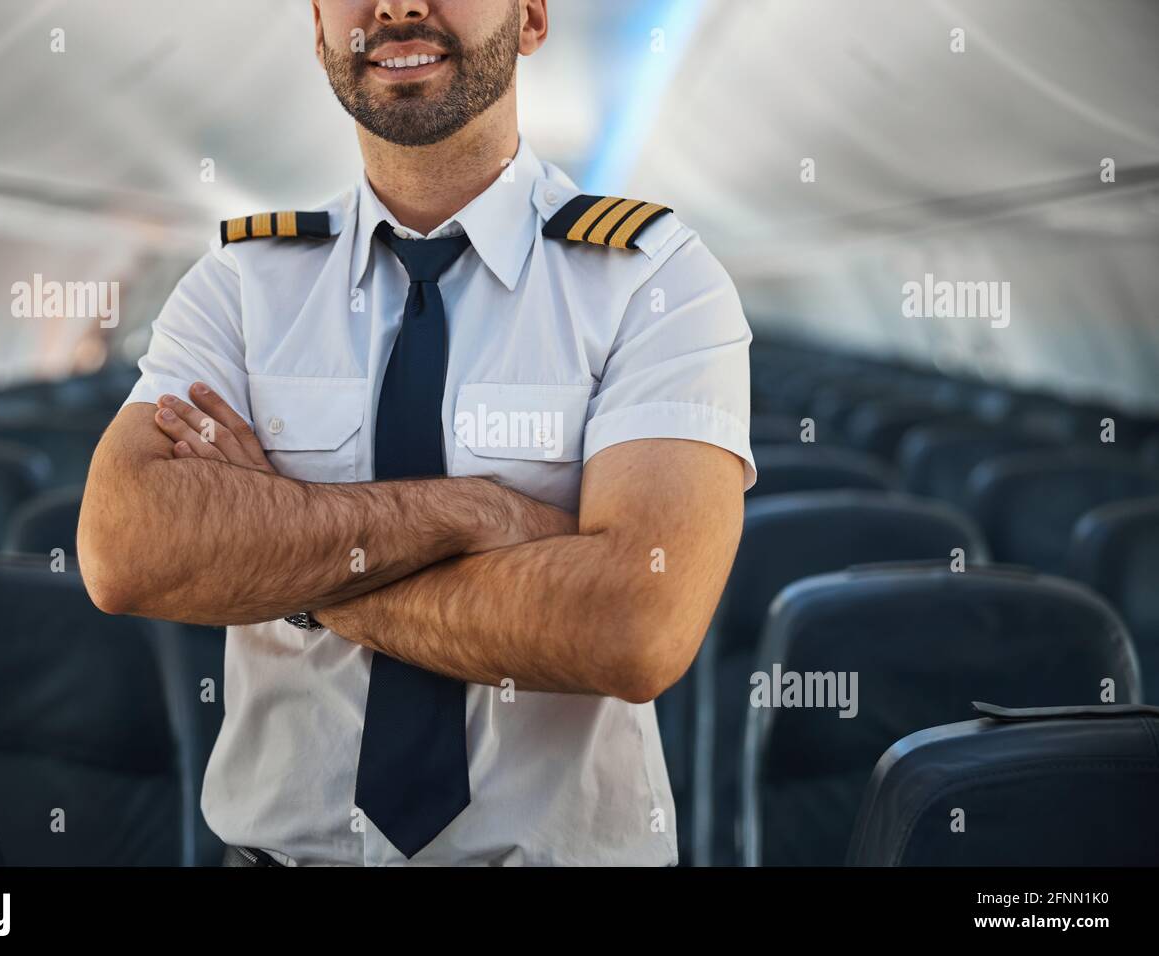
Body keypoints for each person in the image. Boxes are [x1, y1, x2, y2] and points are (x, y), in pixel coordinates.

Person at [78, 0, 755, 866]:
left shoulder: (656, 280)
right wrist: (475, 513)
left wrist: (284, 566)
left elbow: (635, 627)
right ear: (319, 28)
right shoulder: (241, 286)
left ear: (535, 17)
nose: (398, 8)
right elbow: (124, 549)